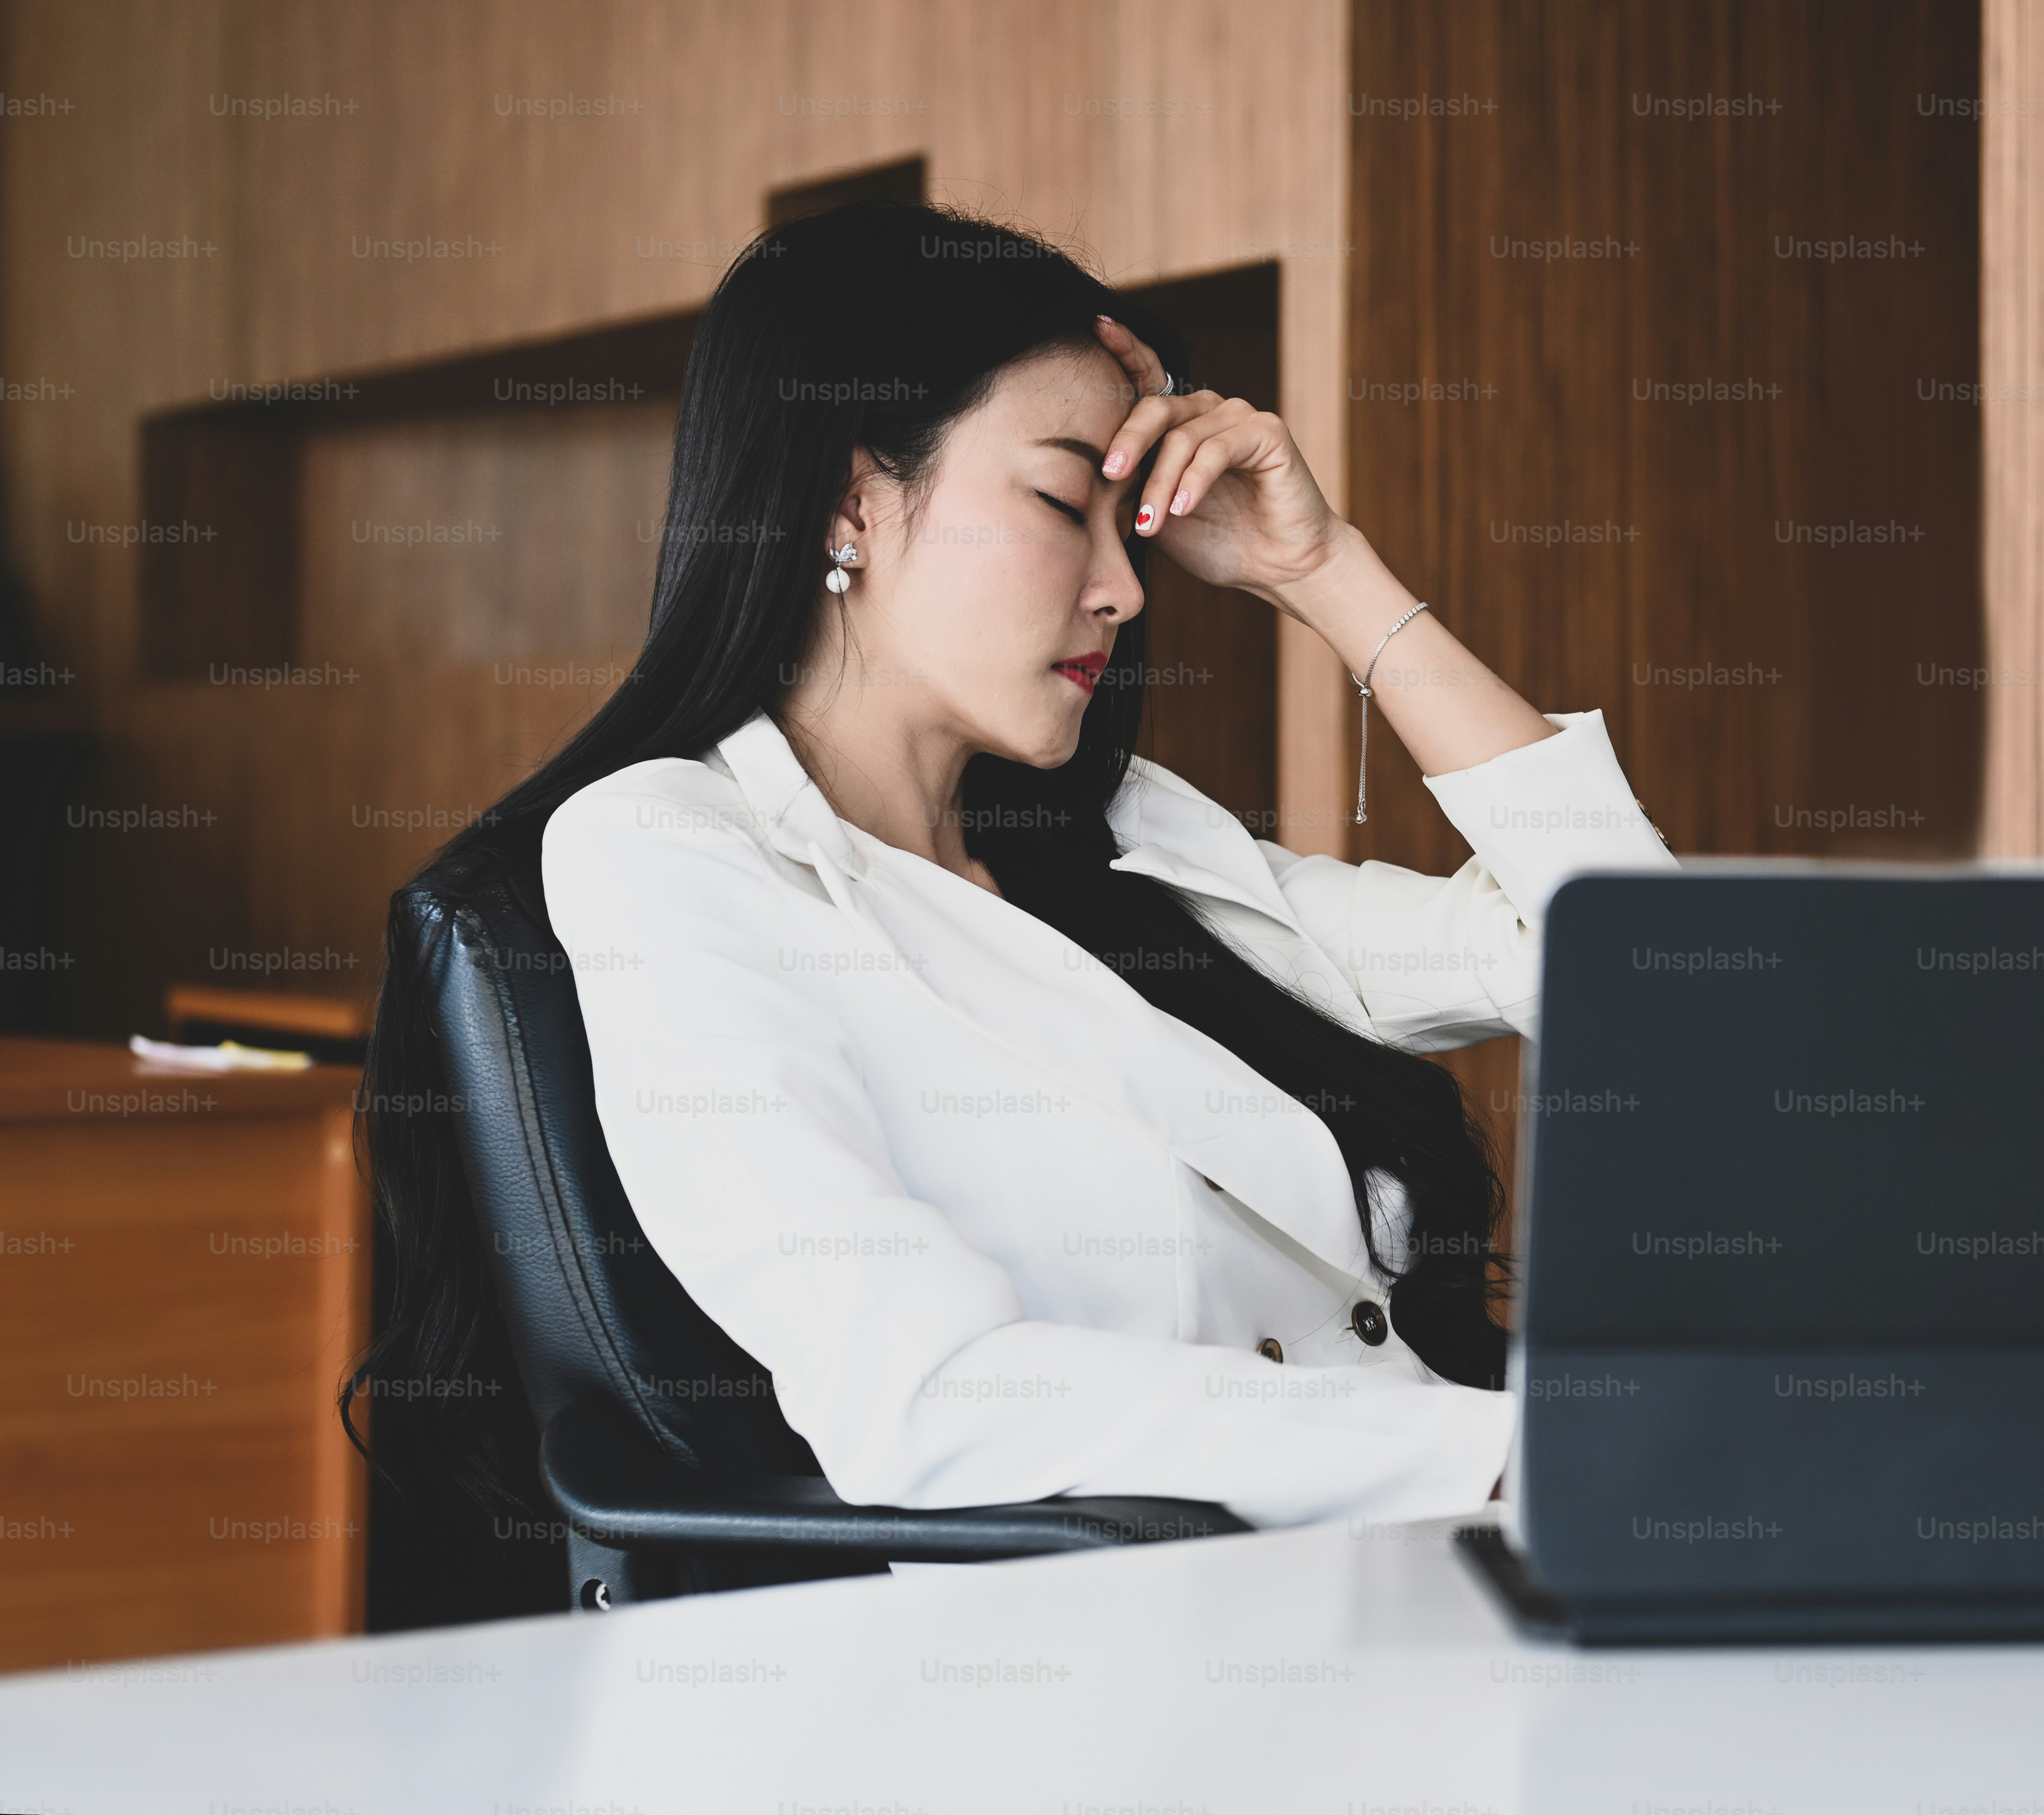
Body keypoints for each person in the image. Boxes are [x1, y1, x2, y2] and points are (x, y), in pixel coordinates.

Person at [349, 201, 1673, 1530]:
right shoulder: (671, 854)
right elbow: (932, 1393)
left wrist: (1323, 572)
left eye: (1131, 525)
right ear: (849, 503)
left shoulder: (1116, 840)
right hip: (1126, 1651)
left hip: (1450, 1554)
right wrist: (1500, 1453)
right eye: (1059, 501)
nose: (1127, 590)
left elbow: (1631, 967)